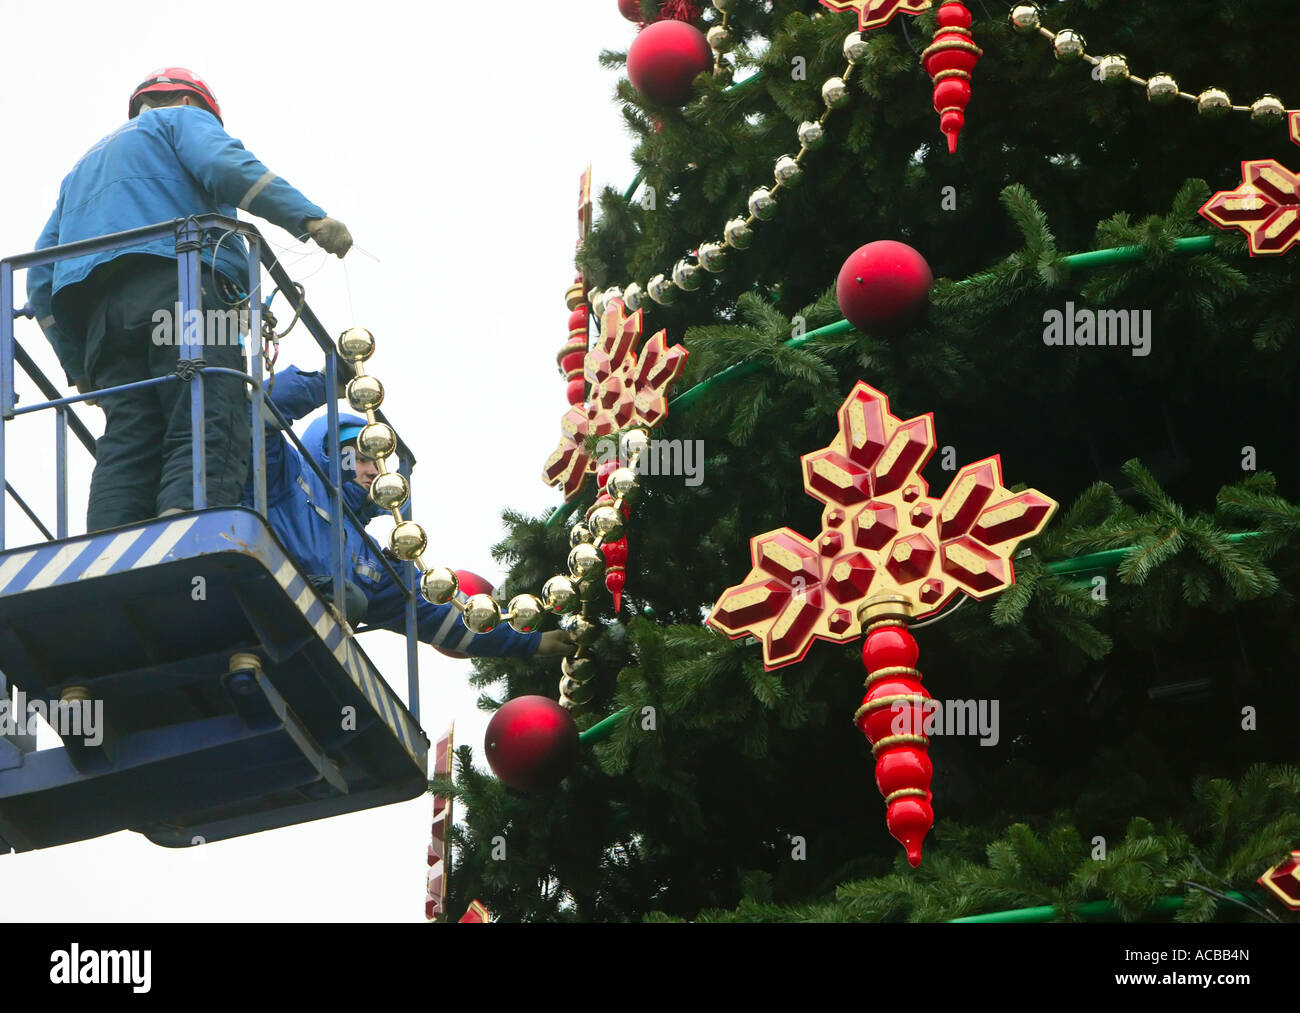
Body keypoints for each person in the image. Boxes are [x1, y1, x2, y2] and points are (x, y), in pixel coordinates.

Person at [26, 67, 354, 532]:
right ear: (189, 102)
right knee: (208, 409)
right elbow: (226, 167)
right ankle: (190, 526)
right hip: (189, 295)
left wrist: (78, 367)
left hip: (103, 325)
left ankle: (110, 541)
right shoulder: (180, 121)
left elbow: (39, 277)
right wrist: (308, 219)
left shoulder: (79, 172)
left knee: (128, 436)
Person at [247, 364, 575, 658]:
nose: (373, 470)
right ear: (329, 452)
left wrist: (528, 643)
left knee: (354, 598)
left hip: (297, 647)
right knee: (347, 597)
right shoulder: (288, 475)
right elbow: (254, 414)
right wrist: (327, 381)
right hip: (256, 598)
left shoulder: (369, 559)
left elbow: (431, 612)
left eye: (378, 462)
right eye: (360, 458)